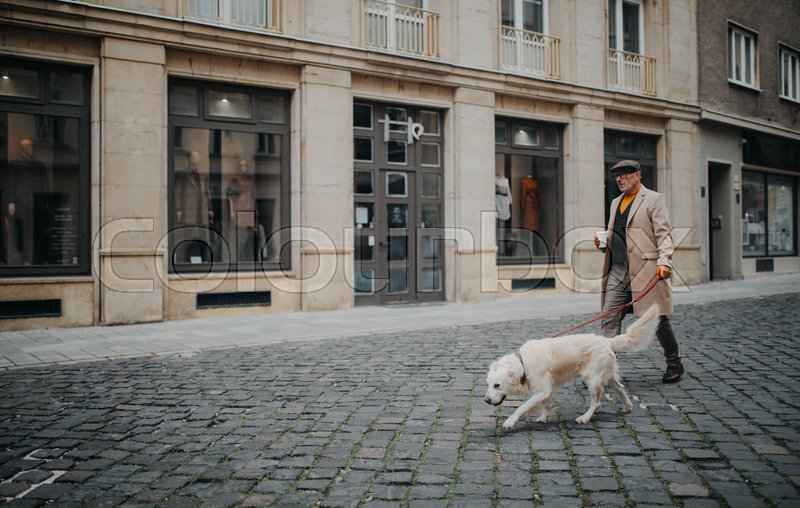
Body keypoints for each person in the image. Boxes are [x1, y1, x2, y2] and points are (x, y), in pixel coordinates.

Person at [594, 159, 684, 383]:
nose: (620, 179)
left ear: (638, 175)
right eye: (617, 175)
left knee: (657, 319)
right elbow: (619, 235)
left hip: (646, 270)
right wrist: (604, 244)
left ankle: (674, 363)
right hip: (617, 270)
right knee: (609, 317)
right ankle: (604, 371)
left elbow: (664, 234)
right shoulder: (615, 202)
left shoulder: (654, 199)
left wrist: (665, 261)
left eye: (625, 174)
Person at [4, 138, 47, 265]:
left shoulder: (38, 165)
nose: (30, 149)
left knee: (33, 231)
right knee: (20, 231)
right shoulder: (16, 164)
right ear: (22, 149)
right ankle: (21, 258)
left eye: (31, 146)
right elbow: (11, 182)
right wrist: (11, 201)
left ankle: (31, 258)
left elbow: (44, 184)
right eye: (27, 147)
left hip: (35, 201)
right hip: (20, 202)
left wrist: (45, 200)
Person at [174, 150, 210, 263]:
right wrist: (178, 209)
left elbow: (207, 192)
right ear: (189, 158)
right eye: (194, 157)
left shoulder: (202, 175)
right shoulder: (183, 174)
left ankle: (203, 260)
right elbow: (178, 191)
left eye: (197, 157)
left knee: (203, 235)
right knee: (190, 236)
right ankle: (188, 260)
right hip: (189, 210)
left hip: (201, 210)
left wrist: (209, 208)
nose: (196, 159)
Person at [227, 159, 258, 262]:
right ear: (239, 167)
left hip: (249, 209)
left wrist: (255, 211)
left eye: (245, 165)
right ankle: (238, 259)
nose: (244, 167)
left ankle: (248, 259)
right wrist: (232, 211)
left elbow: (254, 197)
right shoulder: (235, 179)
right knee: (240, 236)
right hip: (240, 208)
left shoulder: (251, 180)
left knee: (249, 237)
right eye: (241, 165)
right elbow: (230, 196)